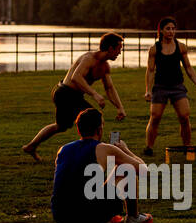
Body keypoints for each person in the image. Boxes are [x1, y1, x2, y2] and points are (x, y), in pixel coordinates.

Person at [22, 33, 128, 162]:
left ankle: (31, 146)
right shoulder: (89, 58)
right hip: (64, 93)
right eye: (118, 49)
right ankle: (93, 154)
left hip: (74, 96)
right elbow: (76, 77)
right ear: (110, 48)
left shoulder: (104, 67)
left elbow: (109, 88)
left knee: (61, 126)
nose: (119, 53)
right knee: (95, 119)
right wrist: (94, 94)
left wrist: (120, 107)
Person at [51, 107, 152, 223]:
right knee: (127, 169)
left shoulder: (63, 149)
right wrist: (125, 150)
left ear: (78, 130)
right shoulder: (105, 148)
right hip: (90, 218)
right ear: (99, 130)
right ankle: (133, 217)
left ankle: (108, 215)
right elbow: (143, 170)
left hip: (62, 217)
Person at [142, 16, 196, 156]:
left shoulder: (181, 47)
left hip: (177, 86)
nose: (171, 32)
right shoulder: (154, 49)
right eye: (168, 29)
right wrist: (148, 90)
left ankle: (187, 146)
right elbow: (151, 70)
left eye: (173, 29)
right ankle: (149, 147)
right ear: (161, 31)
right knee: (155, 116)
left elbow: (188, 68)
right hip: (160, 87)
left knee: (184, 116)